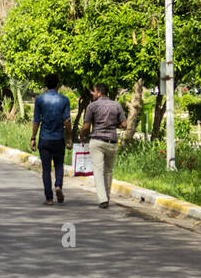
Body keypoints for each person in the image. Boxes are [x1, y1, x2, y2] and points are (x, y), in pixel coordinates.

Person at [81, 83, 127, 209]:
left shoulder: (92, 106)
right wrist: (113, 125)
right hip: (112, 141)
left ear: (99, 92)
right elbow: (124, 124)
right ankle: (107, 195)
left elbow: (86, 126)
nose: (93, 93)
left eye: (94, 91)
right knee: (108, 171)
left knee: (98, 170)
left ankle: (103, 199)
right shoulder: (116, 105)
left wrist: (81, 135)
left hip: (97, 141)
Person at [29, 73, 71, 205]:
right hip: (58, 138)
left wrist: (33, 138)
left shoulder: (40, 100)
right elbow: (67, 121)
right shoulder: (64, 100)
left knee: (46, 169)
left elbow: (36, 121)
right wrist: (69, 137)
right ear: (58, 84)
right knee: (59, 165)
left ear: (45, 85)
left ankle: (49, 198)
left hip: (44, 138)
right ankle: (58, 185)